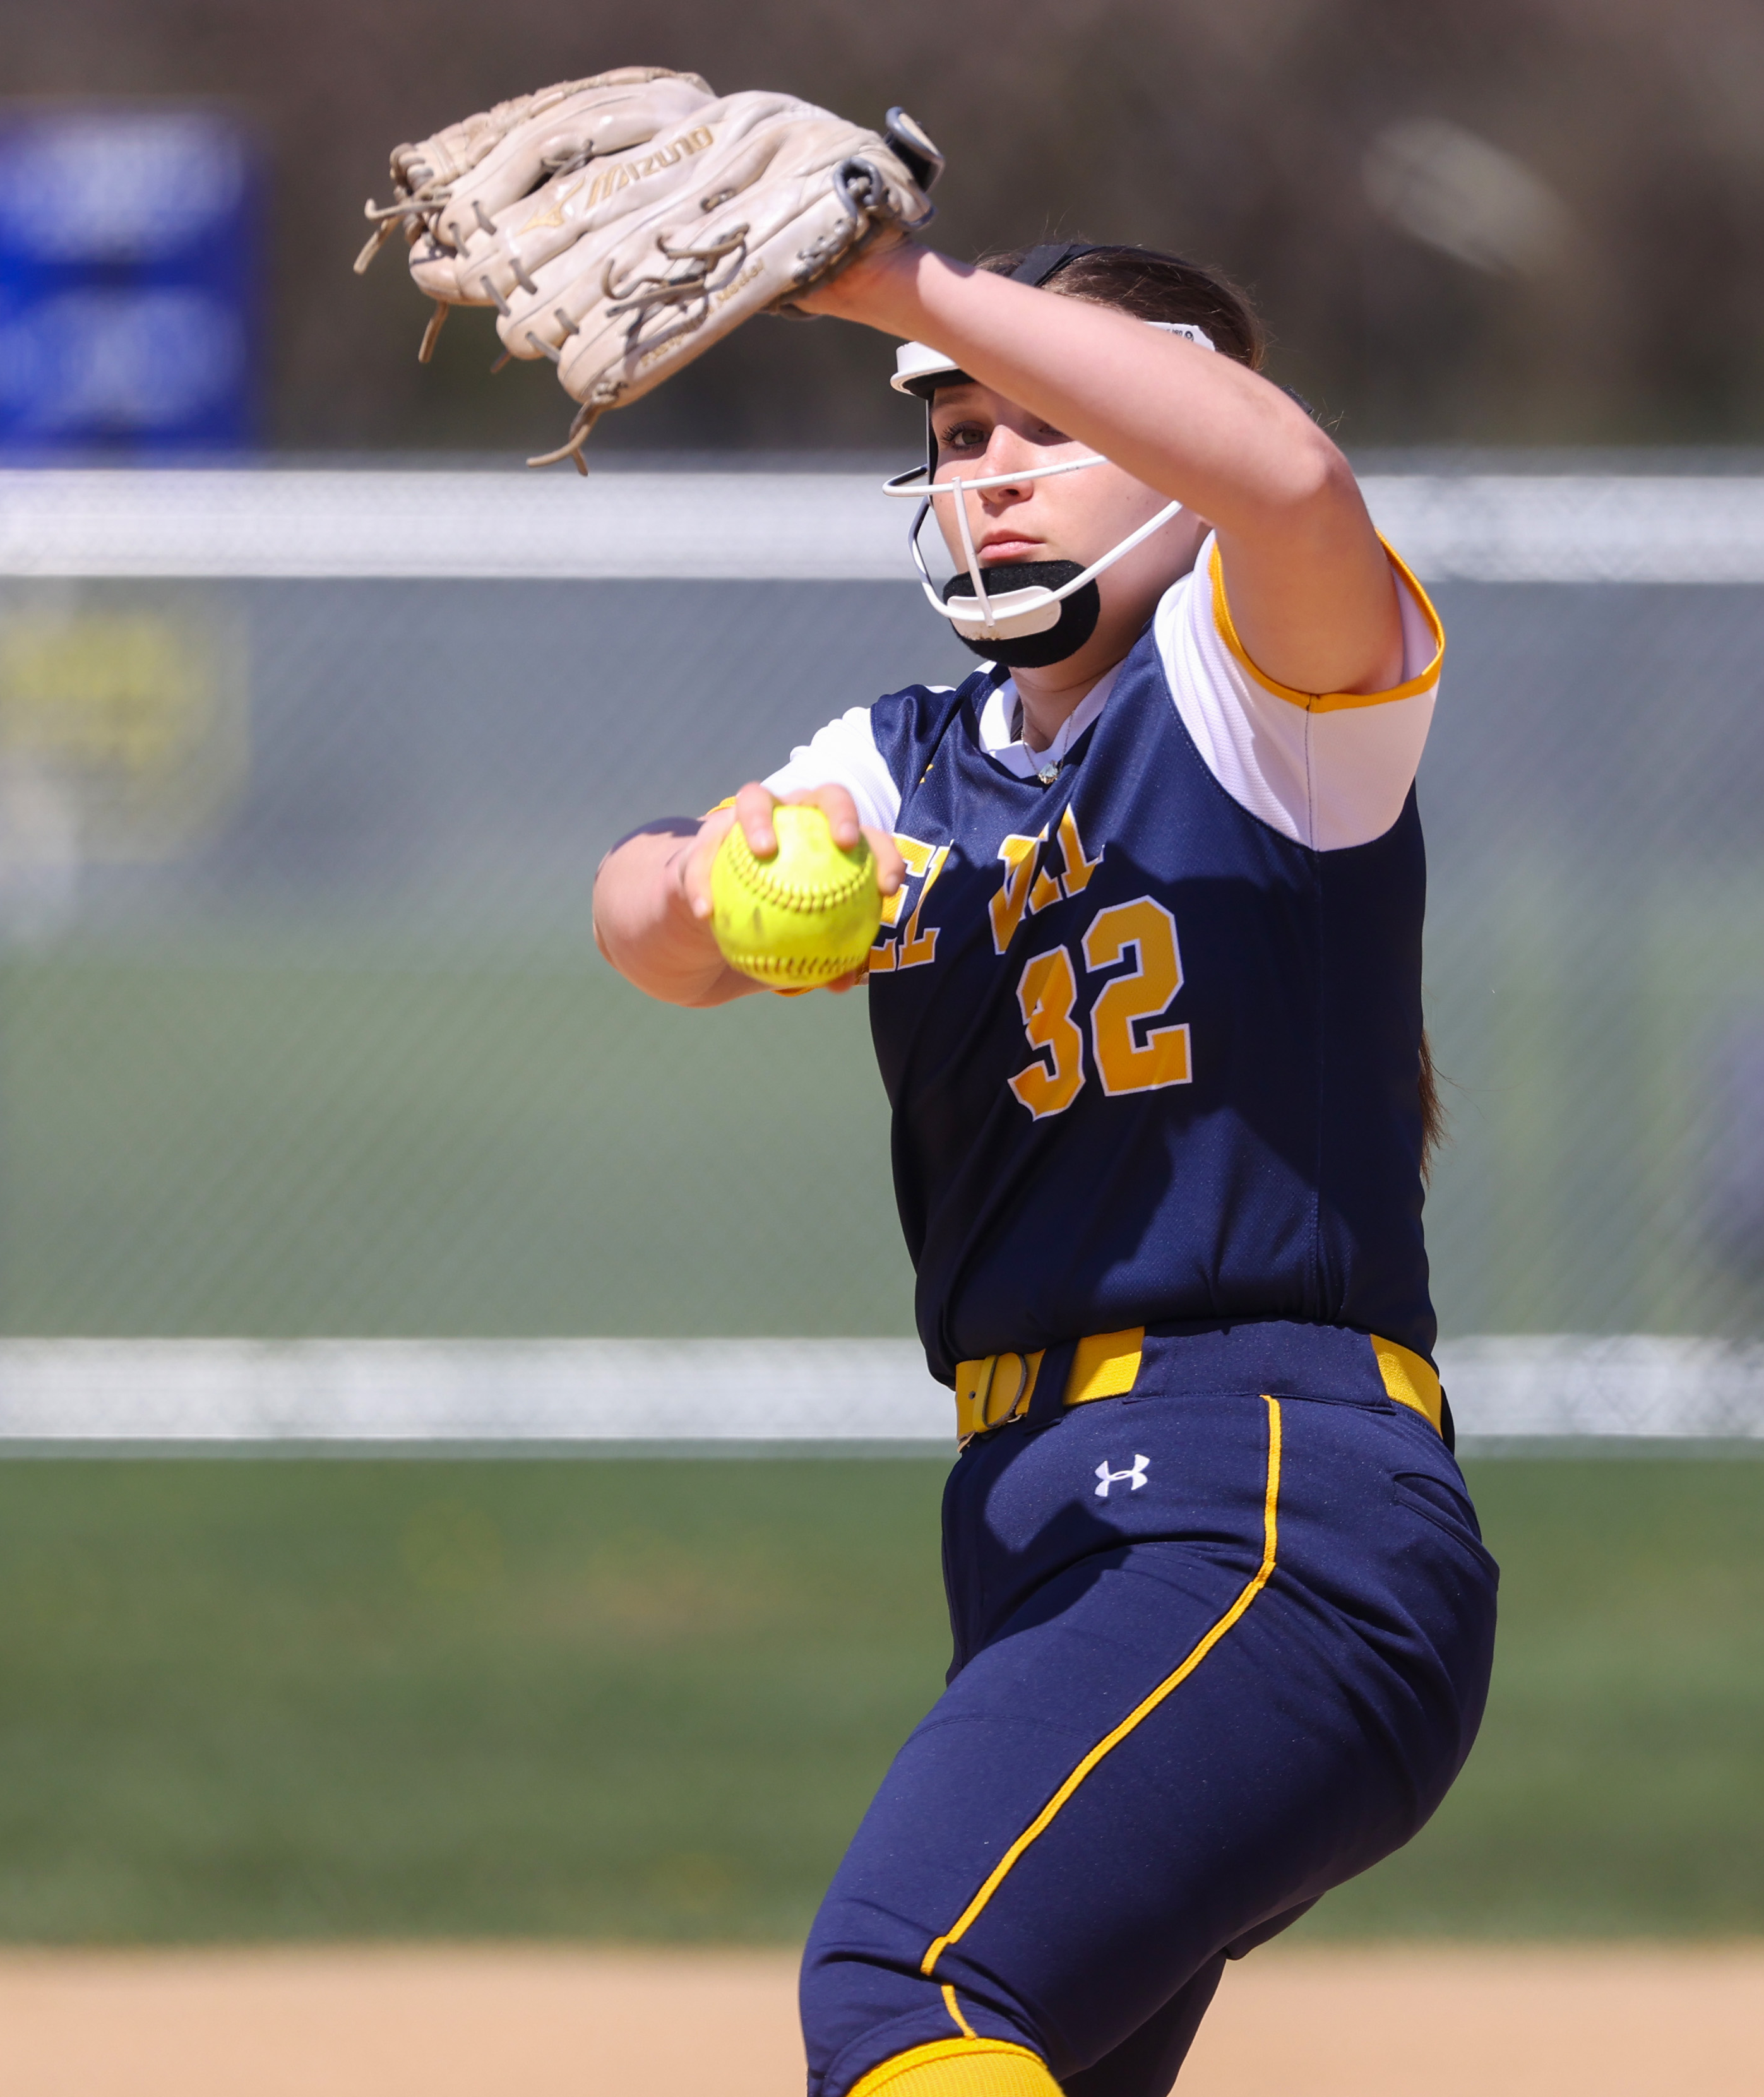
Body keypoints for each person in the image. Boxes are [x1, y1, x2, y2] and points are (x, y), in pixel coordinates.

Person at [590, 237, 1498, 2097]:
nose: (984, 466)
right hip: (1036, 1517)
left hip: (1261, 1505)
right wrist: (712, 881)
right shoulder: (910, 758)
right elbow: (641, 923)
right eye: (953, 435)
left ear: (1175, 431)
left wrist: (903, 284)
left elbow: (1296, 481)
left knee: (906, 1983)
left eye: (1046, 419)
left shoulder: (1262, 692)